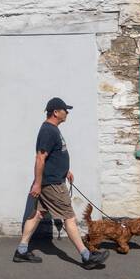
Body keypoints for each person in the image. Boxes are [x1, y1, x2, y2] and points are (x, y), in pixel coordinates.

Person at [13, 97, 109, 269]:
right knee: (69, 217)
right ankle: (87, 257)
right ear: (56, 112)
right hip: (52, 184)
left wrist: (65, 171)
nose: (67, 112)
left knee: (37, 215)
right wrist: (37, 183)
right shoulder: (48, 131)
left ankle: (21, 251)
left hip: (51, 180)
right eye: (65, 109)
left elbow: (54, 156)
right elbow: (40, 158)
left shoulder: (53, 129)